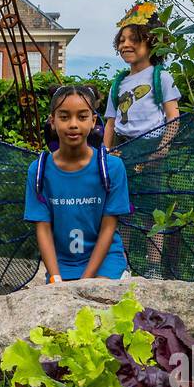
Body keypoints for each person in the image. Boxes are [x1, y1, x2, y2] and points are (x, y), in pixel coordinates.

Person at [24, 85, 132, 283]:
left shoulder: (112, 168)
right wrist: (55, 278)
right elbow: (43, 228)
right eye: (64, 117)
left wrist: (85, 282)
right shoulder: (38, 170)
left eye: (82, 117)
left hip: (104, 261)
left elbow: (109, 228)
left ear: (93, 121)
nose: (73, 124)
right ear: (53, 121)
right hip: (62, 263)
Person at [102, 2, 181, 150]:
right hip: (121, 146)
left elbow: (173, 117)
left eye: (134, 39)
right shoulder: (118, 84)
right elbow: (111, 123)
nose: (125, 45)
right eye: (121, 40)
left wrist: (163, 148)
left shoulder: (162, 78)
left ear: (152, 41)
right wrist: (105, 151)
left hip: (150, 146)